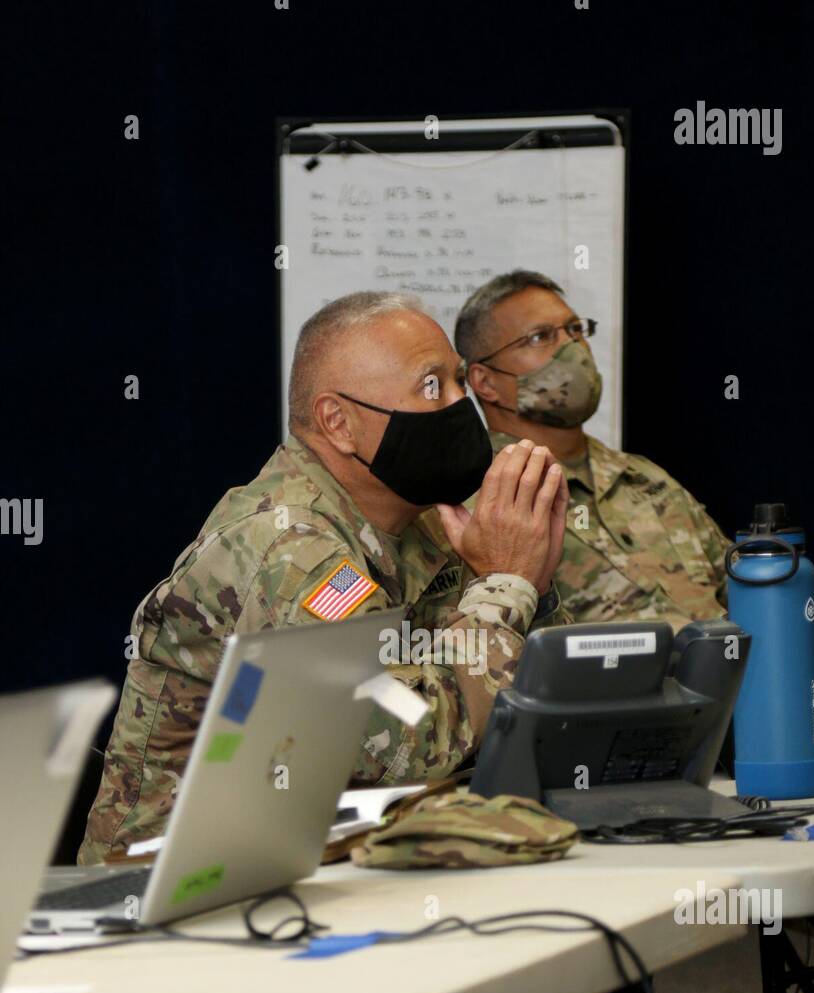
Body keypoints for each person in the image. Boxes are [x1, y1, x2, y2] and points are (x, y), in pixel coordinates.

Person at [79, 291, 567, 864]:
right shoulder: (286, 548)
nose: (462, 405)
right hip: (171, 897)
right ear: (338, 422)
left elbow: (532, 703)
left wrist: (527, 576)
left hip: (326, 863)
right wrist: (507, 583)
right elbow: (405, 745)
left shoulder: (429, 525)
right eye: (433, 386)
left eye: (460, 381)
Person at [456, 269, 730, 632]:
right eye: (541, 337)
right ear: (486, 382)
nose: (572, 348)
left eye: (574, 330)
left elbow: (741, 588)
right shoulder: (483, 504)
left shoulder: (643, 477)